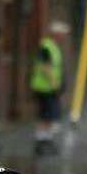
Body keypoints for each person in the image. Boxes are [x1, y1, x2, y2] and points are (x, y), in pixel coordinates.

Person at [30, 24, 66, 155]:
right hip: (44, 87)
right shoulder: (46, 47)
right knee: (46, 115)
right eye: (63, 34)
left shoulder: (53, 47)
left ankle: (46, 140)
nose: (64, 37)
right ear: (56, 34)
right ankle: (41, 142)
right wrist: (55, 85)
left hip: (49, 87)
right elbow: (46, 67)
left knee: (50, 115)